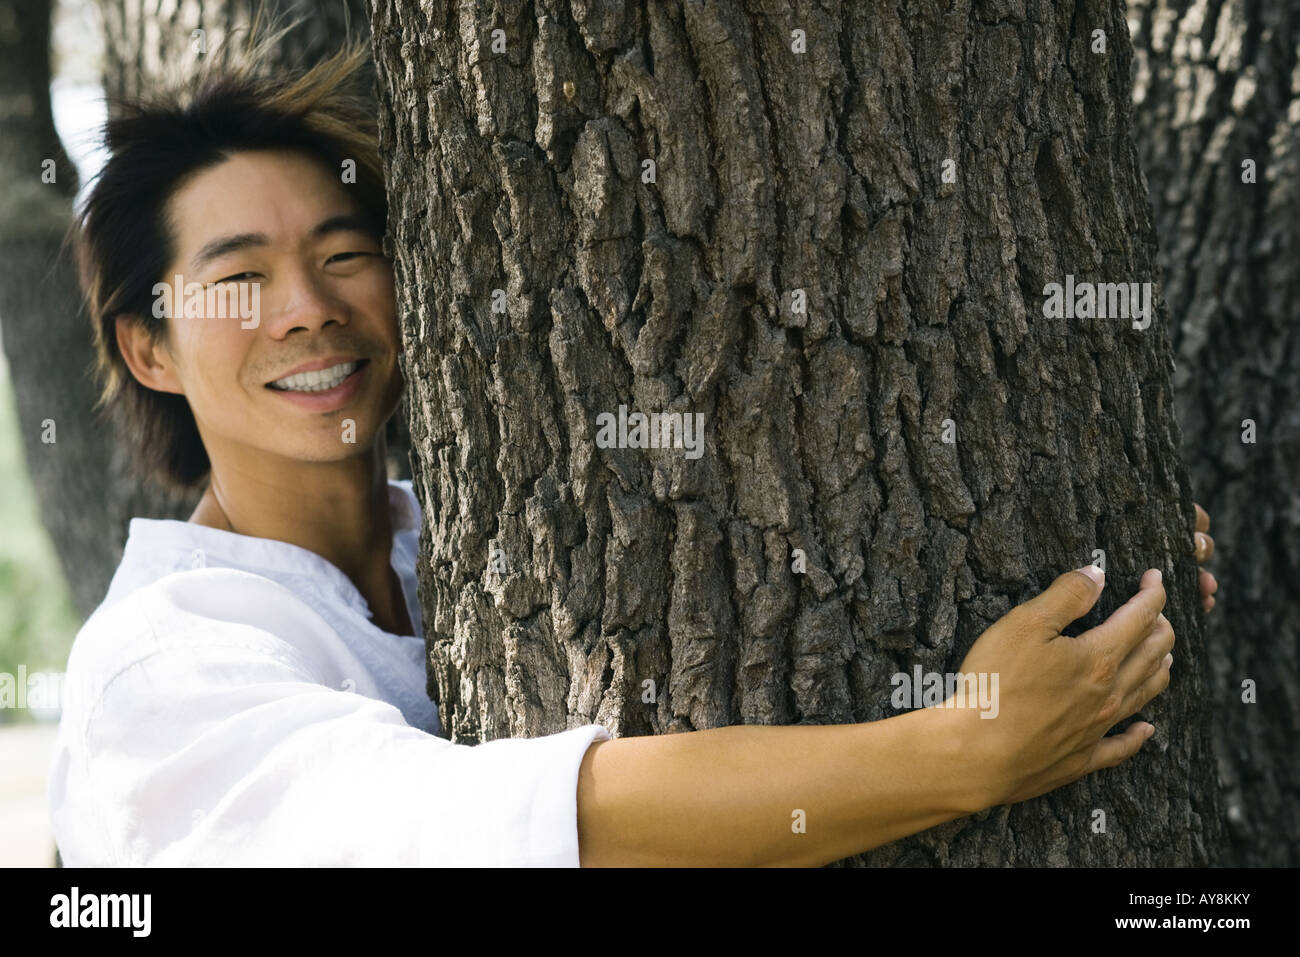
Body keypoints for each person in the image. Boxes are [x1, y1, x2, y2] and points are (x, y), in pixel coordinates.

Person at [47, 25, 1220, 867]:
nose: (306, 305)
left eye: (345, 252)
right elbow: (482, 829)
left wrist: (1122, 581)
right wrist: (964, 755)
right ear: (150, 348)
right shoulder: (163, 667)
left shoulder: (448, 545)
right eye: (240, 276)